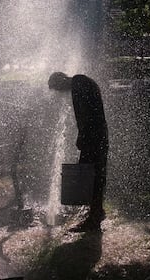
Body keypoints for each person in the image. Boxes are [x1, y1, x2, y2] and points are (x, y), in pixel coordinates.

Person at [48, 71, 108, 232]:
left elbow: (87, 115)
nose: (60, 92)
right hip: (96, 136)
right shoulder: (81, 83)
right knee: (95, 175)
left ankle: (93, 220)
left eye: (58, 88)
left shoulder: (79, 83)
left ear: (61, 80)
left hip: (94, 137)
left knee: (92, 176)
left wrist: (82, 136)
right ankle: (97, 212)